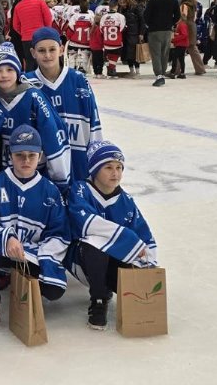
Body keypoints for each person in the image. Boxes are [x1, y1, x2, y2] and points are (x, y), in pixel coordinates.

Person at [0, 125, 70, 326]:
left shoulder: (50, 191)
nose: (26, 161)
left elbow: (59, 234)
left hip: (33, 253)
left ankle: (16, 278)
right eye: (20, 155)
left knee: (54, 291)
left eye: (31, 155)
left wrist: (44, 258)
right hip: (4, 249)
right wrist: (7, 237)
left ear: (40, 156)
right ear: (10, 155)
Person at [67, 140, 157, 331]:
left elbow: (145, 238)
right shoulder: (80, 190)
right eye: (108, 167)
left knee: (139, 274)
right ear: (94, 169)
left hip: (113, 262)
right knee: (94, 243)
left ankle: (112, 290)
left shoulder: (126, 200)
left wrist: (148, 260)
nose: (115, 173)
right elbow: (86, 224)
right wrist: (129, 241)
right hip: (83, 261)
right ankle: (98, 299)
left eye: (119, 167)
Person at [0, 42, 71, 191]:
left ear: (18, 71)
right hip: (2, 174)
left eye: (9, 69)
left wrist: (60, 179)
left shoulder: (33, 97)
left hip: (33, 174)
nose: (4, 75)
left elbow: (52, 135)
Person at [27, 26, 102, 183]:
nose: (47, 55)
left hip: (78, 162)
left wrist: (97, 160)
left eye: (52, 49)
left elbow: (93, 124)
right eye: (41, 51)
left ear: (61, 50)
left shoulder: (79, 80)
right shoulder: (27, 83)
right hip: (42, 167)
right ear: (33, 53)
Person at [143, 0, 181, 87]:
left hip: (155, 30)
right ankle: (162, 74)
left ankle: (159, 76)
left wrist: (150, 24)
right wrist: (171, 23)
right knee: (165, 53)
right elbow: (178, 15)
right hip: (167, 31)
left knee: (156, 54)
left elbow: (146, 15)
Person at [10, 0, 53, 69]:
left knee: (29, 62)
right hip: (40, 37)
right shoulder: (40, 2)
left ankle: (29, 81)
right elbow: (48, 18)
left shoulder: (18, 6)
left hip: (26, 38)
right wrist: (45, 31)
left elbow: (15, 25)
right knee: (41, 61)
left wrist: (23, 32)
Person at [179, 0, 207, 76]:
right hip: (192, 25)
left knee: (180, 48)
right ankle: (200, 68)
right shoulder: (194, 5)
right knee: (193, 48)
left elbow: (184, 16)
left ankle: (175, 69)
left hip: (186, 26)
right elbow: (195, 17)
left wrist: (178, 24)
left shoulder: (184, 5)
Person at [64, 2, 95, 75]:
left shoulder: (75, 16)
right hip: (86, 42)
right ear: (88, 7)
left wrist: (69, 38)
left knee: (72, 55)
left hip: (74, 41)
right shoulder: (91, 16)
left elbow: (70, 28)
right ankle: (82, 67)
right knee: (84, 55)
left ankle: (72, 67)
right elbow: (93, 29)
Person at [99, 0, 127, 79]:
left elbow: (101, 30)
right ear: (116, 7)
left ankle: (110, 68)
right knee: (114, 55)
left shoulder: (103, 17)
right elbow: (122, 28)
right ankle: (112, 69)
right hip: (116, 42)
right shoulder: (120, 16)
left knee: (109, 55)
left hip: (106, 42)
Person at [120, 0, 144, 77]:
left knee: (135, 52)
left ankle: (137, 71)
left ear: (127, 1)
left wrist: (141, 33)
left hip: (134, 33)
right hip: (125, 34)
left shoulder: (136, 8)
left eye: (123, 3)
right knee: (127, 53)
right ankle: (131, 70)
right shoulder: (122, 10)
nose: (122, 4)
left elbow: (142, 21)